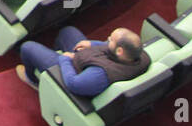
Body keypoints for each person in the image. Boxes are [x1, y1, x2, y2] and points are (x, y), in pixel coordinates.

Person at [17, 26, 150, 95]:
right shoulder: (137, 54)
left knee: (27, 47)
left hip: (72, 72)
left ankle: (33, 79)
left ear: (119, 50)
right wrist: (92, 44)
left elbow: (73, 84)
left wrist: (65, 60)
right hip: (86, 60)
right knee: (67, 31)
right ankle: (48, 59)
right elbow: (108, 47)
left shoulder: (100, 75)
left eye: (111, 39)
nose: (108, 38)